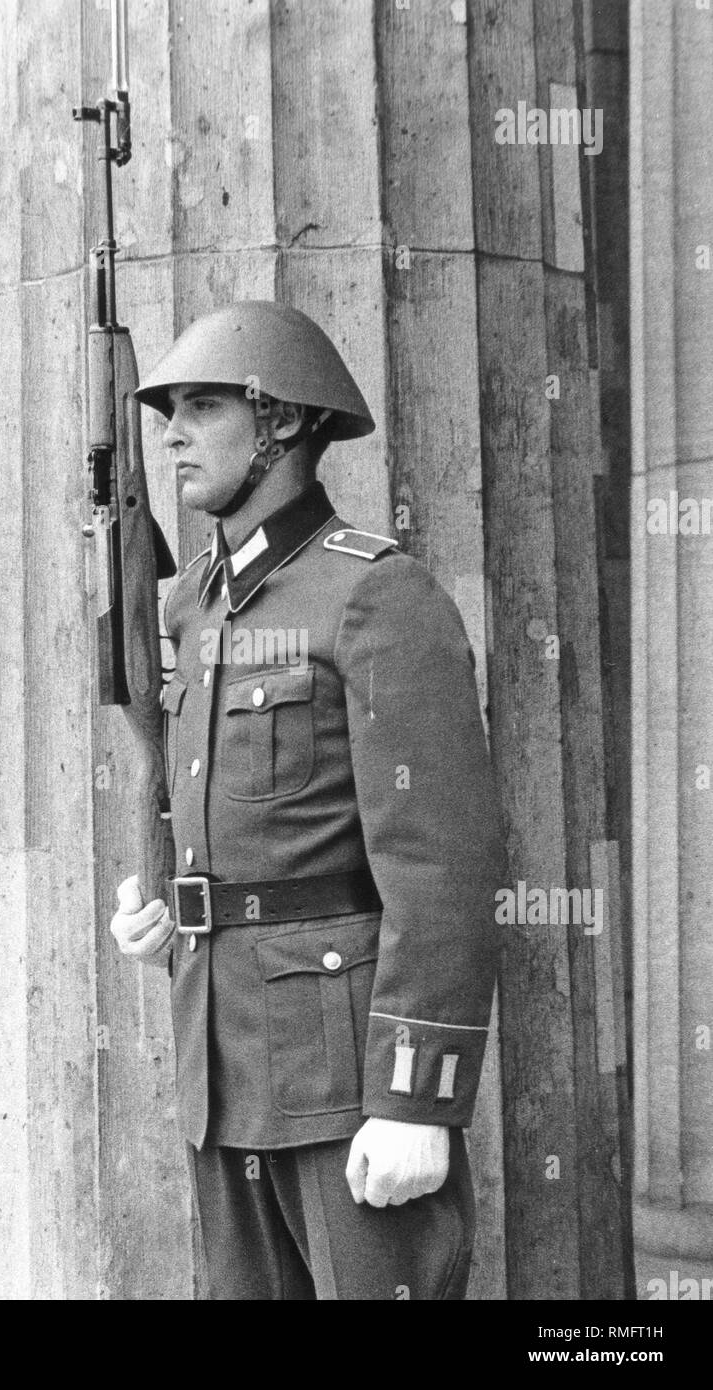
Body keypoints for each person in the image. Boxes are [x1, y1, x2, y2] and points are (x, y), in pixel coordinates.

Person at [109, 300, 506, 1300]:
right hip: (221, 1060)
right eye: (168, 410)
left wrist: (417, 1096)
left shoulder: (377, 593)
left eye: (202, 406)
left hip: (340, 1083)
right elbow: (194, 783)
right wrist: (160, 899)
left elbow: (442, 859)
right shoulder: (194, 599)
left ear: (281, 422)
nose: (171, 434)